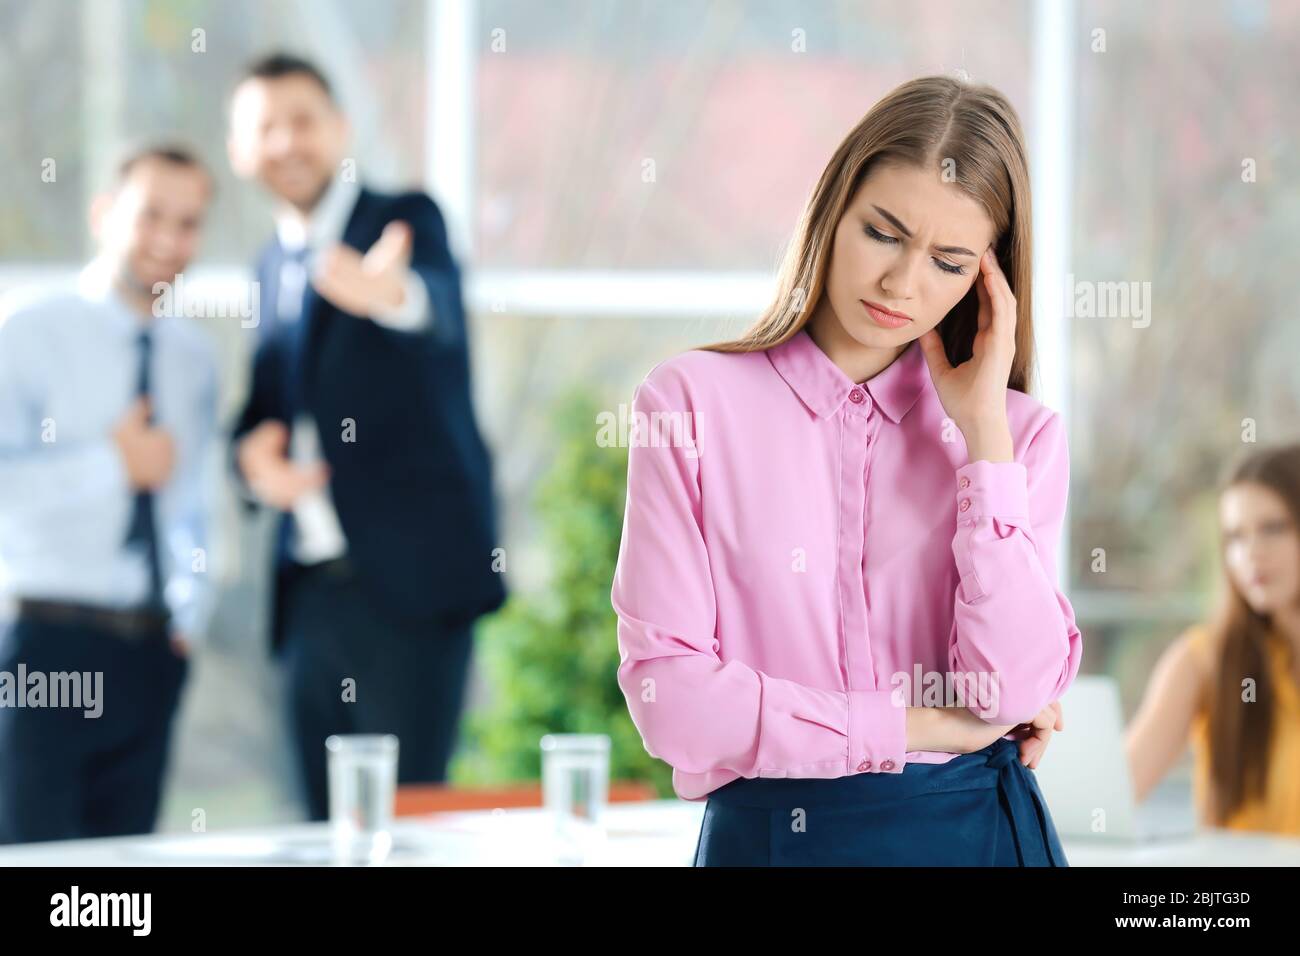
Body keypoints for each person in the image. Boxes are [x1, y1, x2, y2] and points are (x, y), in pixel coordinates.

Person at [610, 75, 1083, 866]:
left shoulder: (1019, 439)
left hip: (978, 836)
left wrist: (983, 442)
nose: (903, 285)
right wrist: (922, 724)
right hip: (767, 842)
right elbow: (673, 706)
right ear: (833, 212)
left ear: (986, 281)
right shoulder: (689, 403)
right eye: (884, 233)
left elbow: (1012, 692)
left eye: (949, 260)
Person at [225, 53, 506, 820]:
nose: (287, 142)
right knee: (321, 828)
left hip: (407, 590)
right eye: (265, 128)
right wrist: (252, 468)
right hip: (308, 593)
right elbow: (267, 409)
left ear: (340, 128)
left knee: (406, 821)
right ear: (240, 150)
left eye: (303, 121)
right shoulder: (270, 266)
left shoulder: (405, 217)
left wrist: (394, 295)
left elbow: (437, 312)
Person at [0, 145, 218, 843]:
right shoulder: (28, 333)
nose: (167, 239)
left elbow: (194, 506)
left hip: (150, 652)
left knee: (123, 883)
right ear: (104, 214)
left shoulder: (193, 360)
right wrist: (111, 464)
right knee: (34, 864)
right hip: (45, 644)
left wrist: (192, 614)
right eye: (150, 214)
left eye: (188, 223)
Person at [1126, 444, 1300, 835]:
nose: (1251, 553)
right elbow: (1111, 796)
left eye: (1273, 528)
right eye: (1236, 537)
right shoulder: (1202, 660)